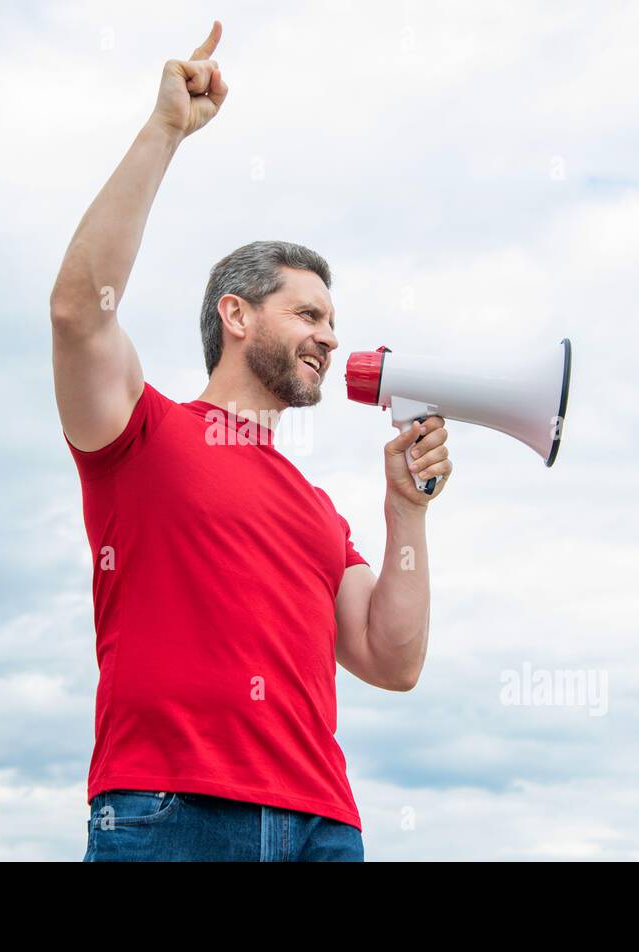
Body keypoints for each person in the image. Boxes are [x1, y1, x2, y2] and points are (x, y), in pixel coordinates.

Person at [50, 20, 454, 862]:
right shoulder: (144, 434)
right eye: (308, 314)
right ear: (236, 315)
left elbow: (391, 659)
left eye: (333, 321)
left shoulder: (316, 511)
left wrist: (404, 511)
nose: (330, 338)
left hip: (322, 825)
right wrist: (165, 132)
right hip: (172, 812)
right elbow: (80, 312)